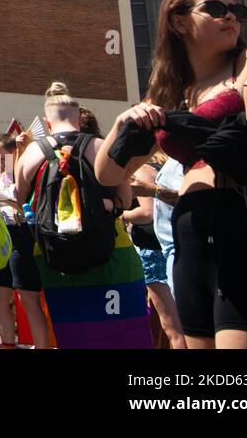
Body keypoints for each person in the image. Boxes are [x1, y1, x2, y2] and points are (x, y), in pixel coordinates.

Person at [95, 0, 247, 349]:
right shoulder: (170, 91)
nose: (231, 17)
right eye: (215, 8)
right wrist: (122, 124)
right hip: (191, 242)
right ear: (178, 21)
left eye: (236, 10)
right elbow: (108, 172)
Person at [15, 82, 149, 348]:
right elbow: (124, 199)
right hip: (110, 251)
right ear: (78, 116)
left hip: (56, 255)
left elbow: (20, 201)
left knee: (75, 334)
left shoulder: (32, 153)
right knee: (122, 334)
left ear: (47, 121)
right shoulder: (102, 146)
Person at [0, 133, 50, 348]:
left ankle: (41, 345)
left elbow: (24, 204)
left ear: (14, 154)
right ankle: (7, 345)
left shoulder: (24, 172)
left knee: (28, 297)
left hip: (23, 234)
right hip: (3, 235)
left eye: (1, 157)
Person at [123, 151, 185, 348]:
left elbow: (147, 213)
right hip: (171, 248)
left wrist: (121, 215)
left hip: (154, 252)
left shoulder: (141, 172)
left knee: (173, 327)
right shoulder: (167, 167)